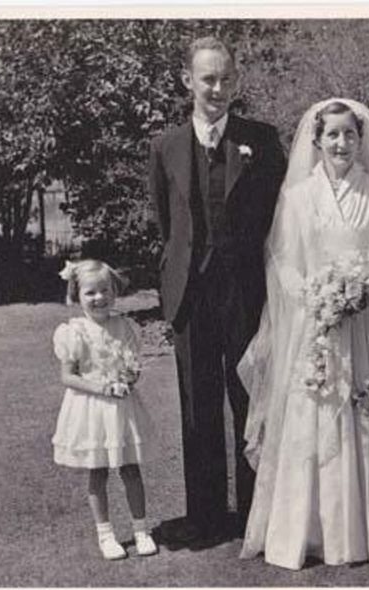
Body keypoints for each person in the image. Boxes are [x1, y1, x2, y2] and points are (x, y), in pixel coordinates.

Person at [237, 99, 369, 570]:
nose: (342, 143)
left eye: (349, 135)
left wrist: (367, 287)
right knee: (317, 409)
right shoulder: (298, 195)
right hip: (317, 319)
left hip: (368, 319)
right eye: (333, 135)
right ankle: (314, 528)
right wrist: (314, 297)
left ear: (360, 140)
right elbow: (282, 257)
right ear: (317, 140)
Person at [148, 36, 286, 541]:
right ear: (189, 81)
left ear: (237, 80)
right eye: (208, 78)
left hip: (247, 293)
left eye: (227, 78)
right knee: (196, 403)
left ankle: (257, 513)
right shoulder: (164, 146)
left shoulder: (263, 140)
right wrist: (177, 275)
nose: (218, 88)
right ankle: (205, 517)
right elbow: (169, 223)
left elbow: (279, 217)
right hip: (191, 292)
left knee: (250, 399)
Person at [51, 259, 158, 561]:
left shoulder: (123, 325)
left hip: (122, 409)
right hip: (92, 410)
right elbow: (67, 376)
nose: (99, 298)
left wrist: (131, 375)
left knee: (130, 468)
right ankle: (106, 535)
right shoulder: (74, 332)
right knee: (97, 472)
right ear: (77, 295)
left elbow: (131, 365)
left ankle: (141, 530)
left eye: (104, 291)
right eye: (90, 293)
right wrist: (102, 387)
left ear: (114, 292)